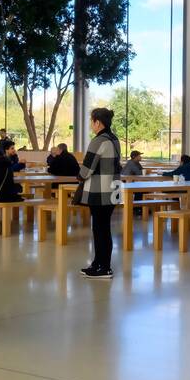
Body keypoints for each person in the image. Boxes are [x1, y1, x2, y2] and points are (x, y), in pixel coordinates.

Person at [78, 107, 122, 279]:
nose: (91, 125)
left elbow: (86, 169)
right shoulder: (114, 139)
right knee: (104, 228)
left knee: (99, 228)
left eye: (92, 121)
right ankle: (99, 263)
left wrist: (79, 176)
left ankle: (104, 267)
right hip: (114, 189)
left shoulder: (98, 141)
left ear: (98, 122)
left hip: (99, 190)